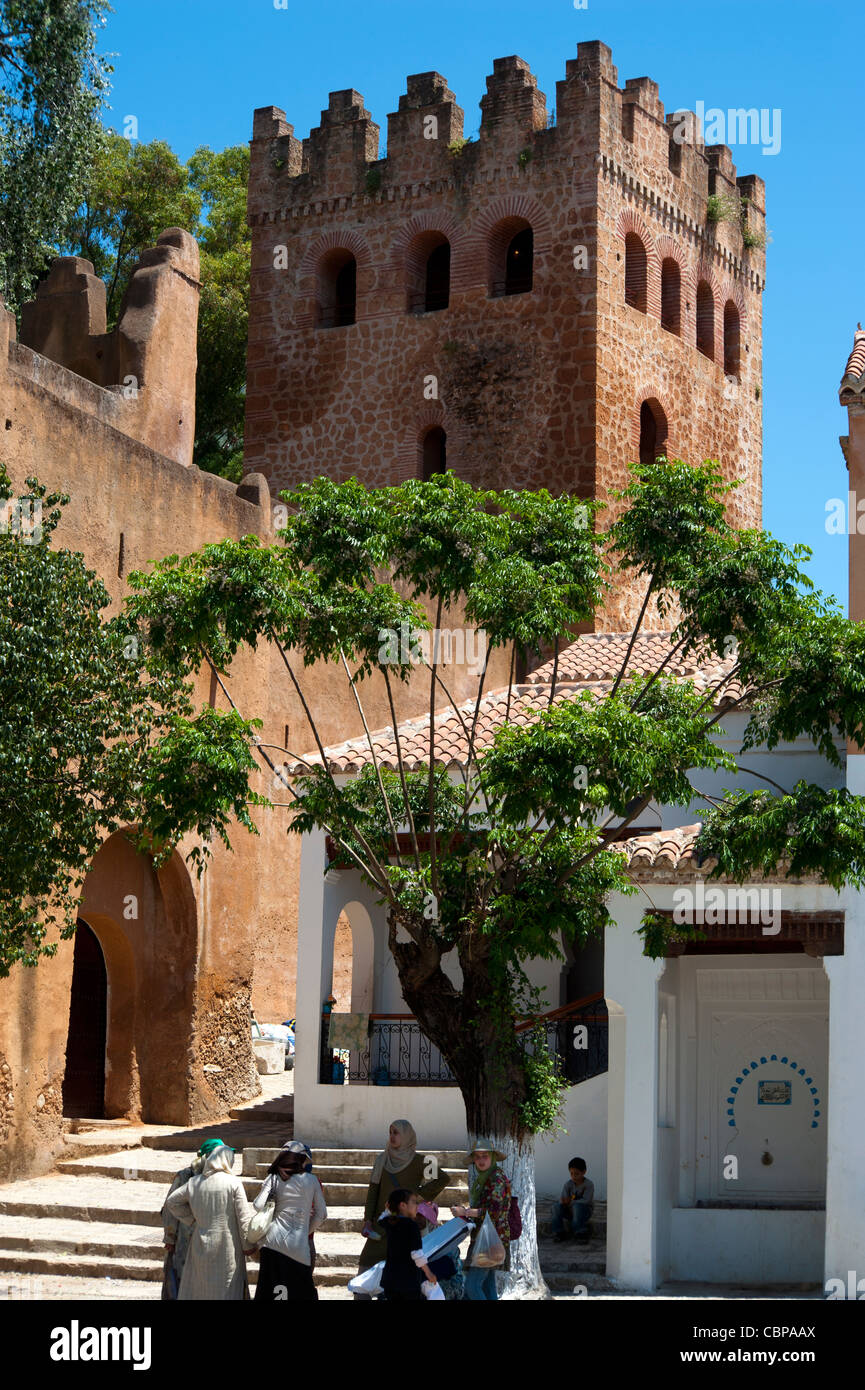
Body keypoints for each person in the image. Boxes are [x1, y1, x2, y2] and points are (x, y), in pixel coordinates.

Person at [356, 1119, 450, 1279]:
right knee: (364, 1270)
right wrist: (368, 1220)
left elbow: (443, 1178)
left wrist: (419, 1196)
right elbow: (373, 1193)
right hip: (382, 1225)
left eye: (396, 1132)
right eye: (390, 1132)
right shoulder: (382, 1160)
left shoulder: (422, 1161)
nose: (392, 1136)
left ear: (407, 1136)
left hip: (406, 1227)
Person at [165, 1141, 253, 1300]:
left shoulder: (194, 1182)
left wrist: (193, 1220)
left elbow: (172, 1202)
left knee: (201, 1288)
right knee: (226, 1289)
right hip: (227, 1249)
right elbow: (244, 1220)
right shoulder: (233, 1183)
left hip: (200, 1246)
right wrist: (248, 1246)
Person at [253, 1142, 327, 1301]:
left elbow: (258, 1205)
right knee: (299, 1292)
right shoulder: (312, 1180)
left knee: (270, 1292)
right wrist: (304, 1230)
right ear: (301, 1160)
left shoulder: (273, 1178)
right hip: (298, 1246)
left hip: (271, 1243)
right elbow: (321, 1214)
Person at [160, 1137, 225, 1299]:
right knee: (180, 1276)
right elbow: (170, 1208)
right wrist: (170, 1237)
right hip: (184, 1237)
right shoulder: (185, 1176)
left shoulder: (220, 1178)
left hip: (206, 1238)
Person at [452, 1138, 512, 1301]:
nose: (480, 1160)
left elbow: (495, 1210)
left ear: (492, 1157)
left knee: (472, 1286)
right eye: (477, 1157)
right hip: (487, 1237)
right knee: (487, 1285)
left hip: (491, 1239)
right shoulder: (486, 1177)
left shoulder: (496, 1178)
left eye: (485, 1156)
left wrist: (465, 1212)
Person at [380, 1189, 438, 1302]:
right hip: (408, 1281)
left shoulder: (389, 1222)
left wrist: (388, 1209)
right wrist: (429, 1273)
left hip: (390, 1280)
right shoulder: (411, 1226)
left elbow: (381, 1219)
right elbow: (416, 1254)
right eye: (414, 1202)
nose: (417, 1205)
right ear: (403, 1205)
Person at [551, 1156, 594, 1243]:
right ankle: (559, 1232)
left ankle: (580, 1232)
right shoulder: (568, 1184)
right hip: (570, 1211)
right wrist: (563, 1201)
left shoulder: (589, 1184)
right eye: (571, 1173)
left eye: (577, 1174)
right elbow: (563, 1199)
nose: (574, 1176)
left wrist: (571, 1202)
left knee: (577, 1206)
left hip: (583, 1212)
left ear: (584, 1172)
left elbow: (587, 1200)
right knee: (555, 1207)